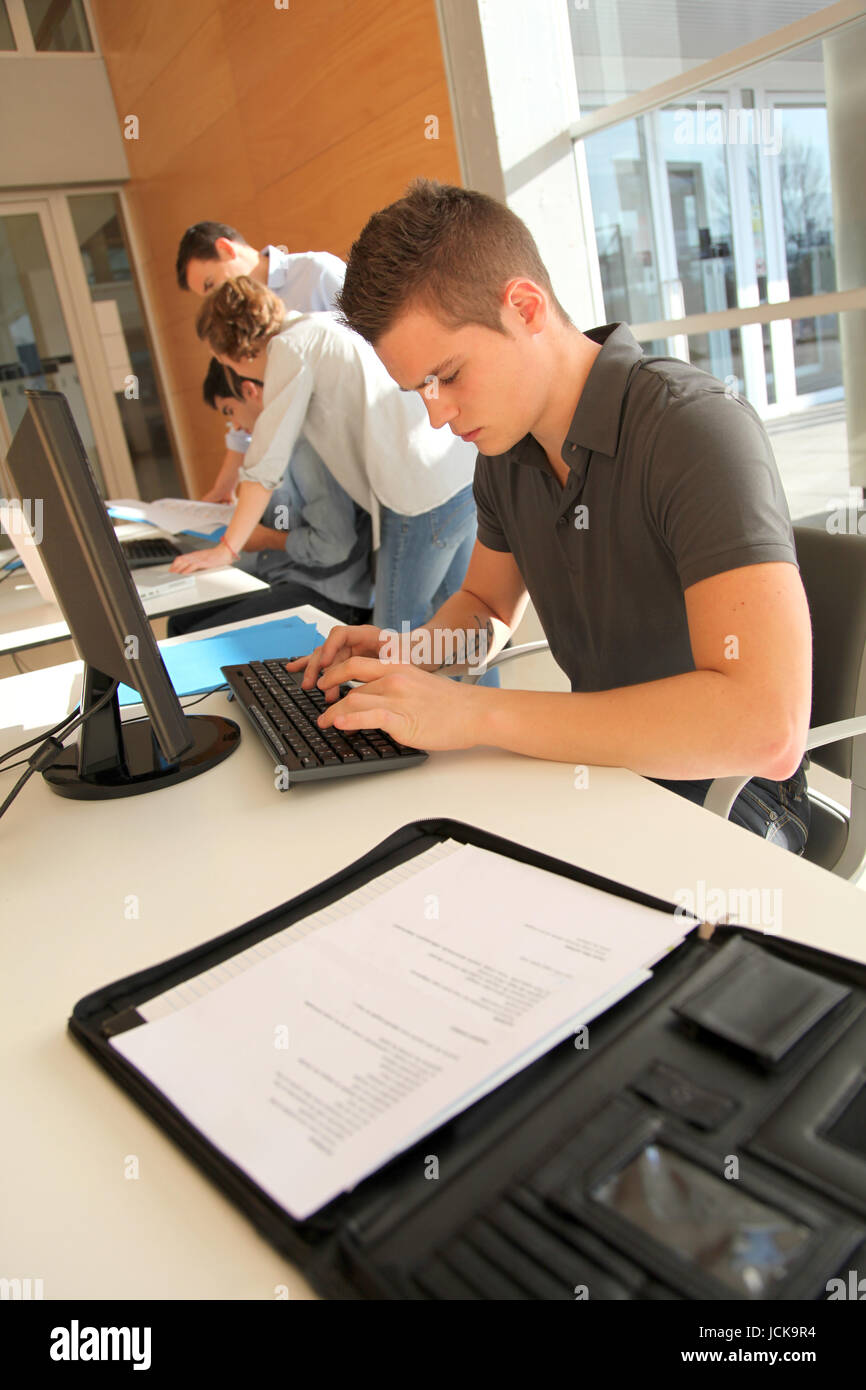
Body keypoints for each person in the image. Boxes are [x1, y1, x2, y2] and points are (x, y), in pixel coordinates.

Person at [285, 179, 813, 854]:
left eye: (447, 375)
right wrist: (408, 654)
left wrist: (477, 712)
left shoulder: (692, 429)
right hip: (603, 776)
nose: (437, 414)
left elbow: (764, 727)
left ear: (526, 308)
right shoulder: (506, 449)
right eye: (419, 389)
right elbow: (482, 608)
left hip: (726, 801)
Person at [171, 277, 485, 644]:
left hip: (418, 495)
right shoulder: (318, 325)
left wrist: (228, 548)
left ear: (236, 355)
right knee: (463, 629)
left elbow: (264, 463)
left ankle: (408, 701)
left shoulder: (290, 349)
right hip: (457, 477)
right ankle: (488, 699)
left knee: (392, 637)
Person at [167, 360, 373, 635]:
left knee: (194, 636)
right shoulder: (269, 450)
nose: (236, 427)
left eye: (231, 412)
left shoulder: (306, 449)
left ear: (250, 391)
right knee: (180, 622)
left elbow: (335, 545)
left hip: (330, 595)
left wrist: (265, 539)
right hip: (285, 576)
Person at [175, 221, 346, 503]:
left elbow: (377, 346)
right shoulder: (233, 326)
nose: (213, 299)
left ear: (225, 248)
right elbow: (245, 410)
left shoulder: (317, 273)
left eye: (210, 285)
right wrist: (223, 488)